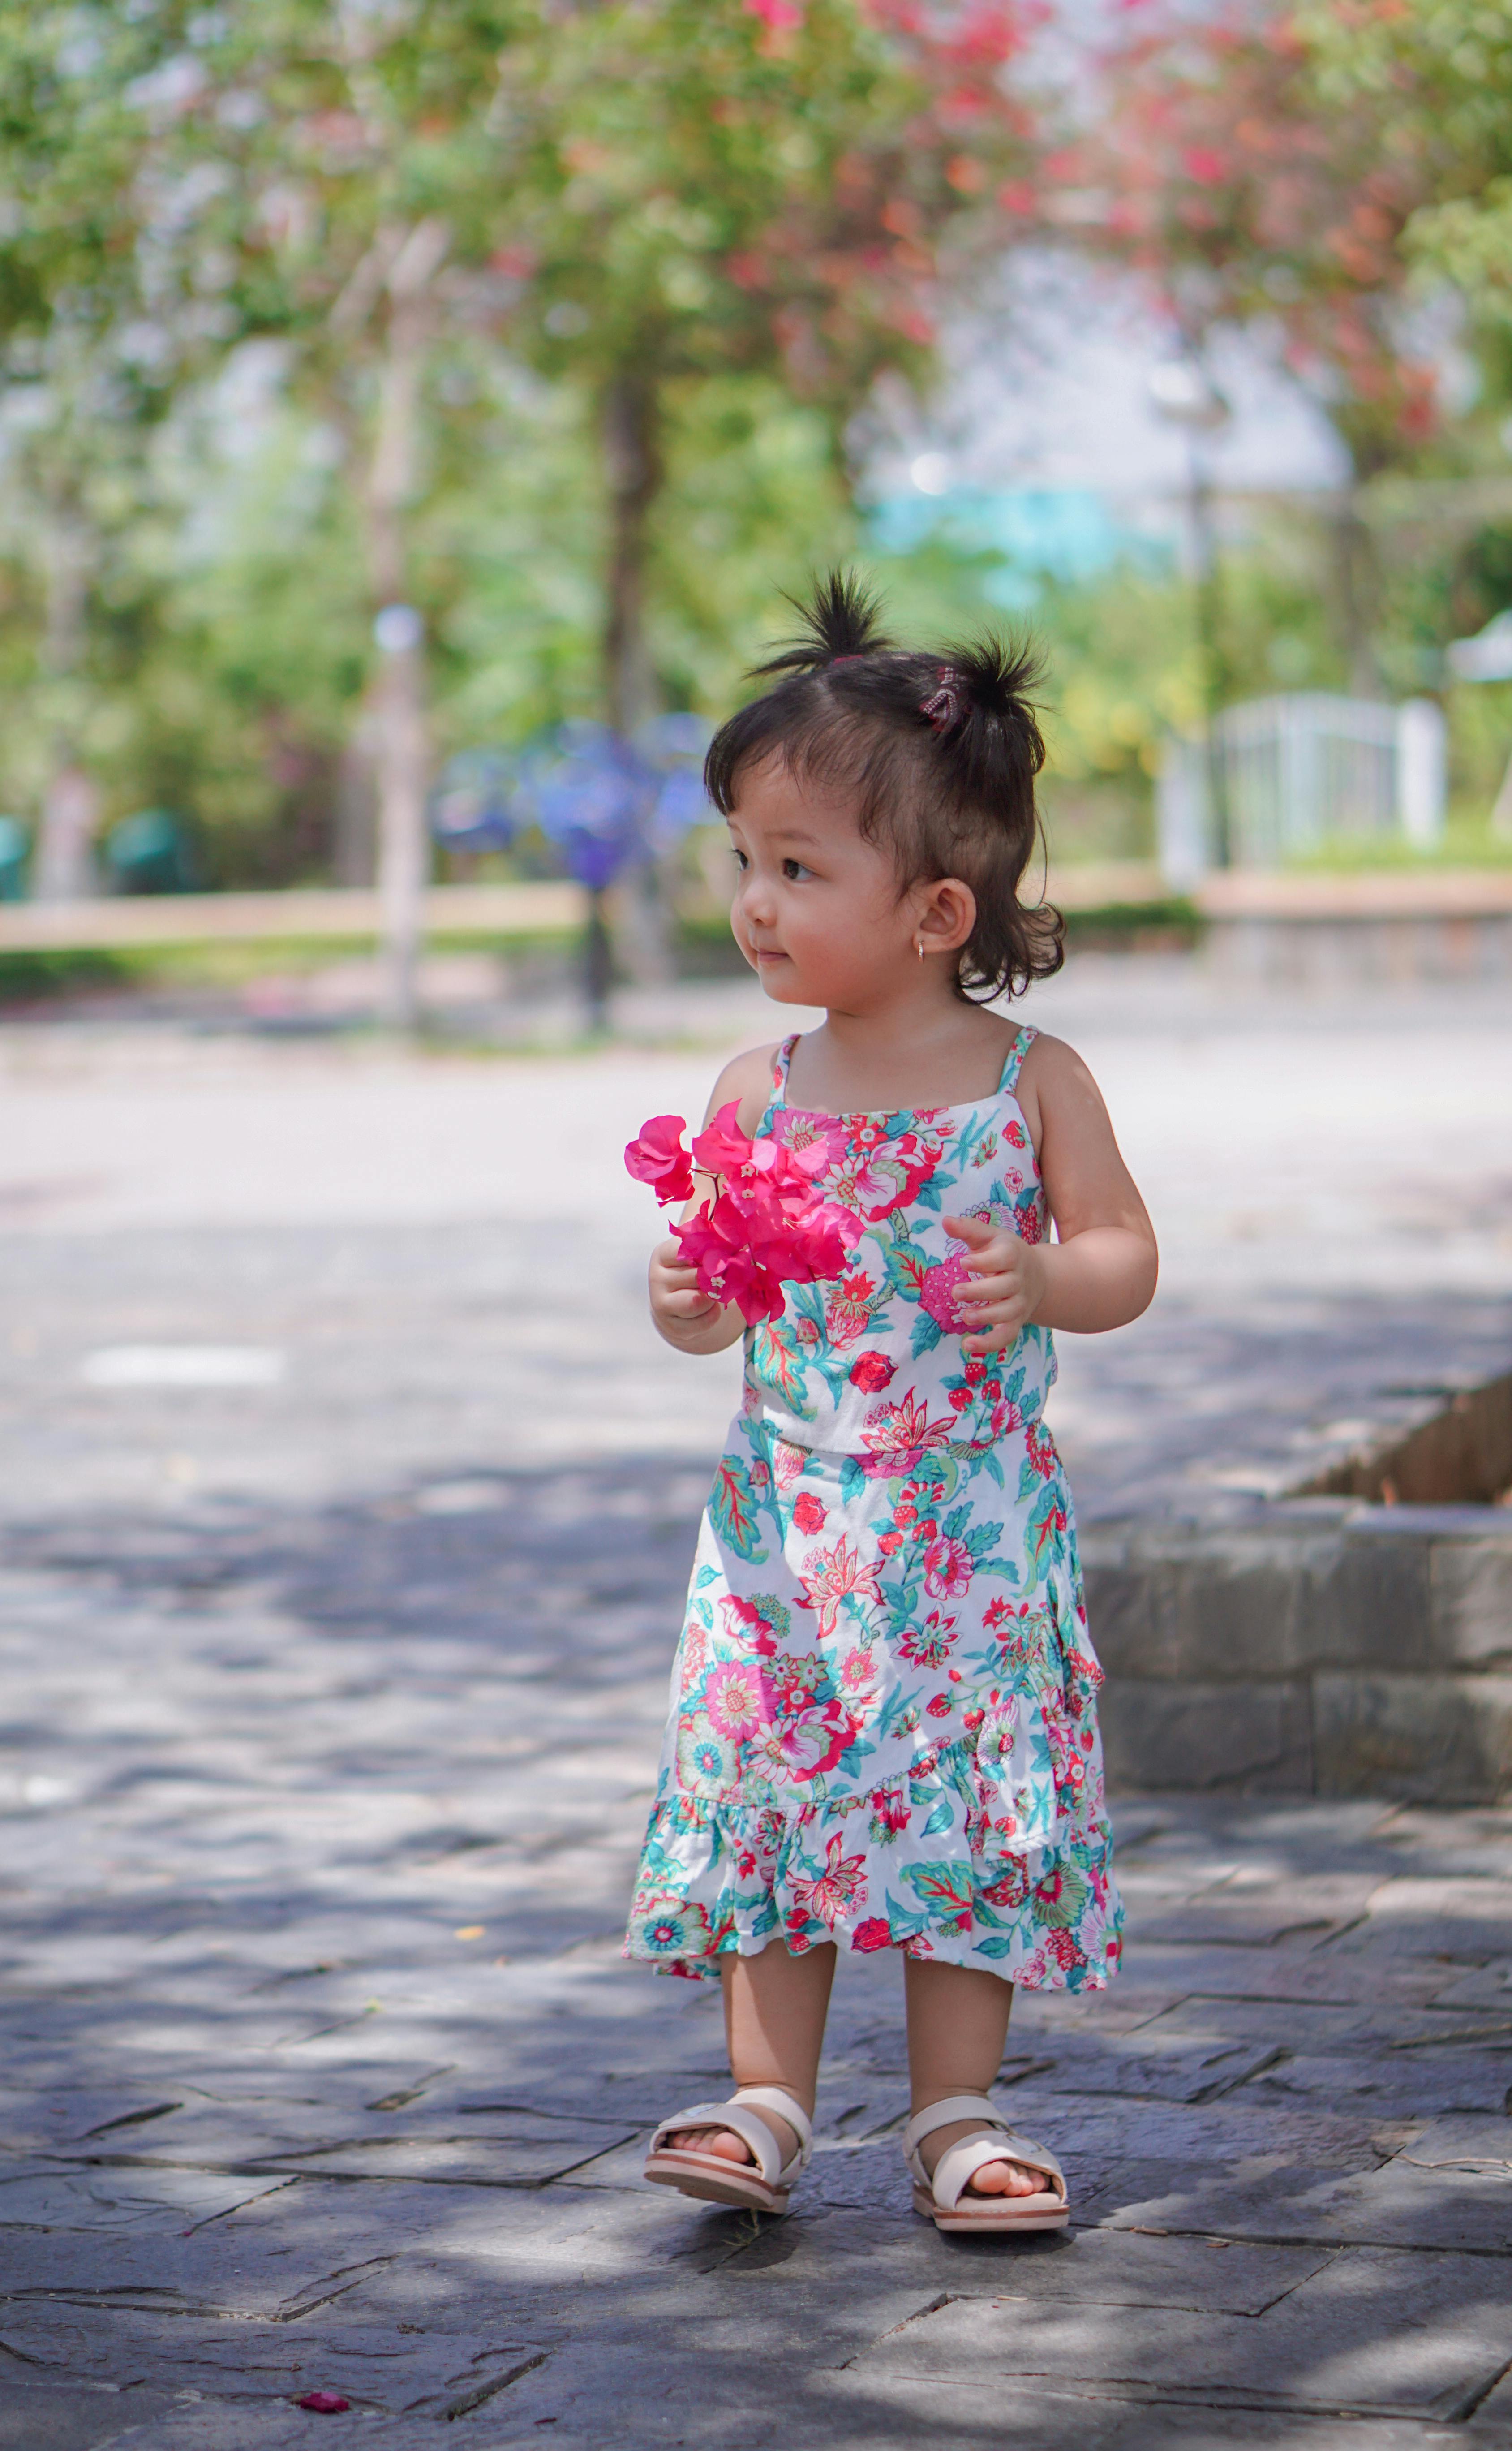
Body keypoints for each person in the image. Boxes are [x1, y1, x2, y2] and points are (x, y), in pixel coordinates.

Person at [626, 574, 1157, 2233]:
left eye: (799, 871)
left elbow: (1129, 1252)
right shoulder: (754, 1090)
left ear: (937, 914)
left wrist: (1050, 1281)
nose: (756, 905)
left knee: (963, 1805)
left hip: (968, 1526)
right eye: (745, 863)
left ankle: (956, 2116)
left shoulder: (1030, 1083)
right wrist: (690, 1301)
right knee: (775, 1786)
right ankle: (766, 2100)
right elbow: (715, 1304)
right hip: (790, 1518)